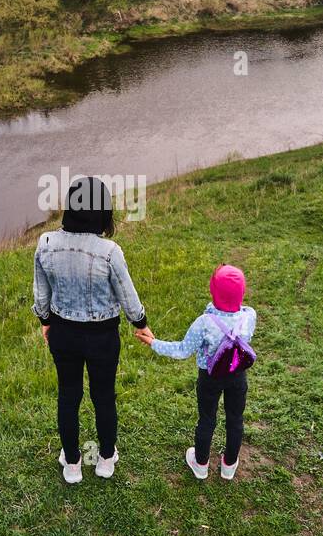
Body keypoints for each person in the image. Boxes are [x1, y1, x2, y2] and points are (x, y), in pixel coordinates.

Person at [33, 176, 150, 484]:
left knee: (68, 395)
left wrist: (45, 322)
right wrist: (141, 323)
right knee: (103, 397)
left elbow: (41, 295)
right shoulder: (110, 251)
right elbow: (129, 296)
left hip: (63, 334)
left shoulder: (46, 243)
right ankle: (106, 459)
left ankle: (72, 463)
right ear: (102, 211)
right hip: (102, 338)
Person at [136, 265, 255, 480]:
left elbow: (182, 350)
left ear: (213, 290)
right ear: (242, 292)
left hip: (210, 378)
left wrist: (154, 343)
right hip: (238, 376)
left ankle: (200, 463)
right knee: (235, 418)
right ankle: (229, 465)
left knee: (207, 419)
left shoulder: (205, 323)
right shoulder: (249, 317)